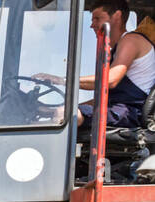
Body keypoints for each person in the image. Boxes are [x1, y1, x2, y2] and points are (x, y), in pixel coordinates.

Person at [36, 1, 155, 130]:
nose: (92, 25)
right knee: (58, 115)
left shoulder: (131, 40)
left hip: (129, 113)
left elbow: (109, 81)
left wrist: (62, 80)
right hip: (118, 111)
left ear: (117, 16)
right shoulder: (116, 50)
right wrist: (51, 110)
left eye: (97, 18)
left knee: (63, 115)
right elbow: (102, 100)